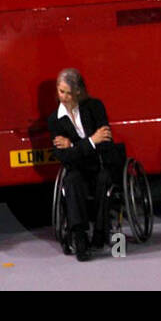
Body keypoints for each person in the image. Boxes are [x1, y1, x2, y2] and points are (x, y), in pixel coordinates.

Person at [48, 68, 120, 262]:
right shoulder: (54, 120)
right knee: (72, 182)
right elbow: (64, 157)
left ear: (78, 91)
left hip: (101, 164)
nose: (63, 97)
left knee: (104, 180)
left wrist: (73, 145)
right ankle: (80, 237)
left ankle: (99, 232)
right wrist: (90, 142)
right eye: (60, 91)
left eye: (67, 93)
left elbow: (105, 142)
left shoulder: (95, 107)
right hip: (76, 168)